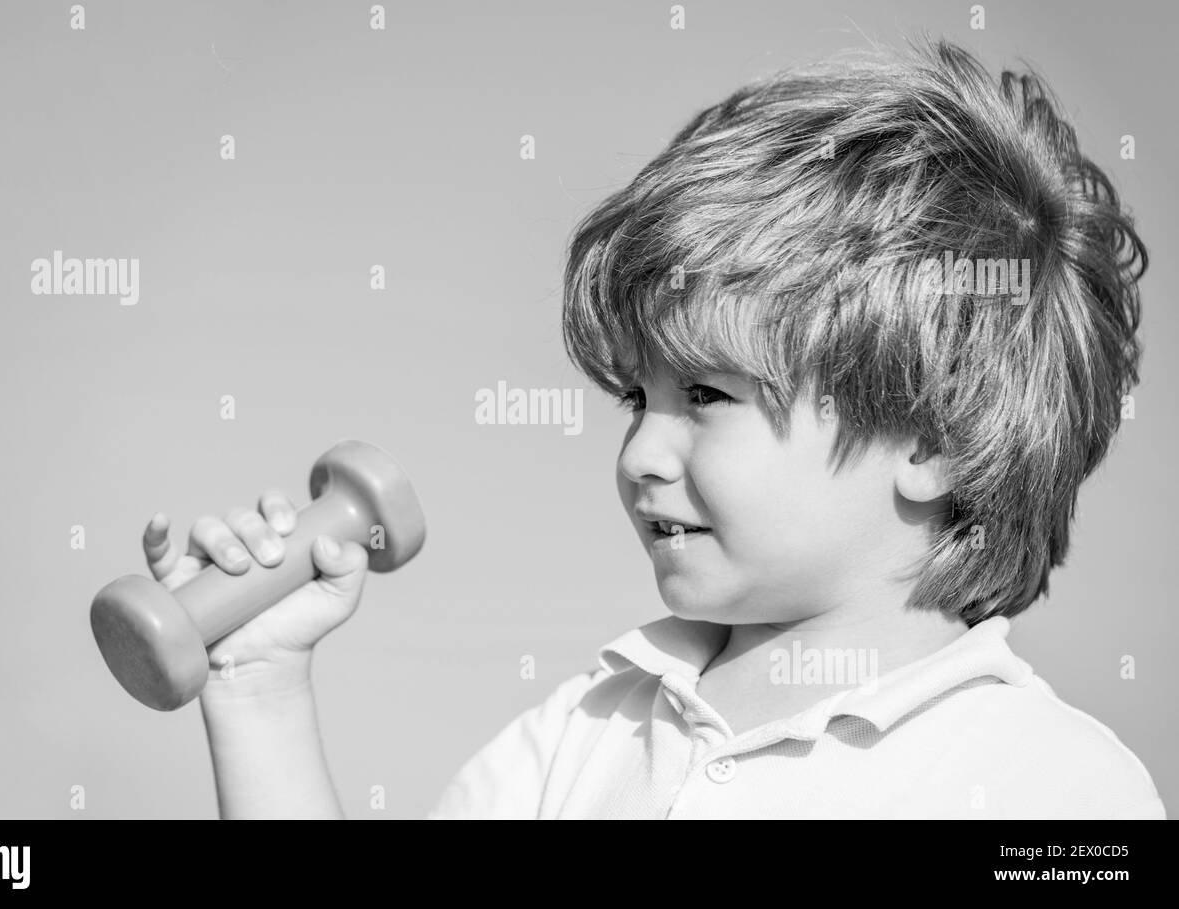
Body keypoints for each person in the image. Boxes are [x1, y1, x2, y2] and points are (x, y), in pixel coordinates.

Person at [142, 37, 1164, 819]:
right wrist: (261, 692)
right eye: (637, 398)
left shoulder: (1052, 787)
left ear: (931, 439)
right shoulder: (586, 729)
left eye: (706, 397)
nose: (639, 454)